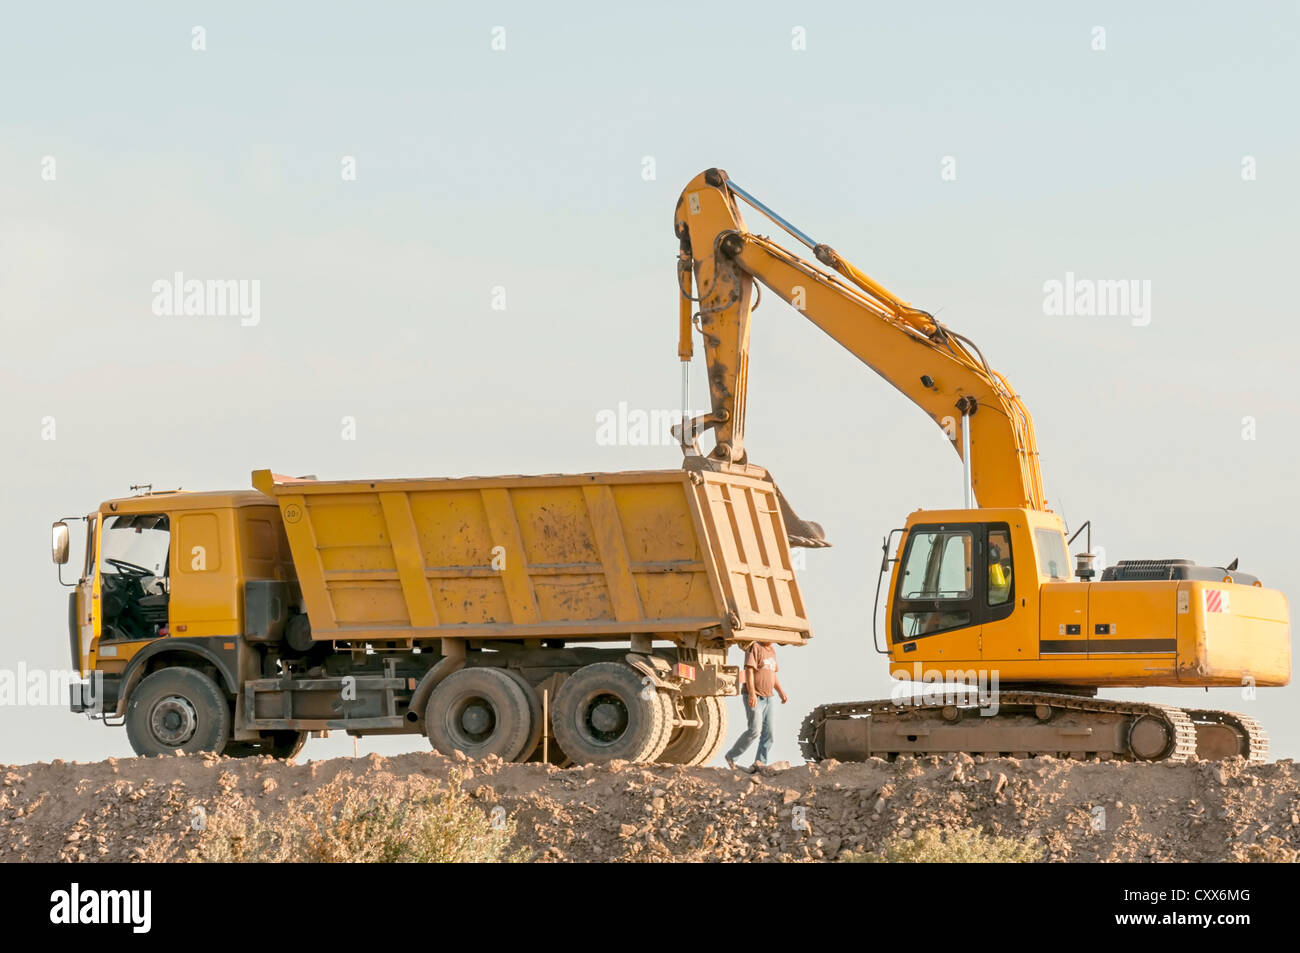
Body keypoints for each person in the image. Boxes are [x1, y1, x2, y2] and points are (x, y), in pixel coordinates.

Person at [725, 641, 787, 771]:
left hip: (769, 698)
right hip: (755, 696)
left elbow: (772, 674)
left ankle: (760, 763)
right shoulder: (755, 647)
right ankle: (732, 756)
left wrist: (781, 692)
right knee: (754, 730)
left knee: (769, 734)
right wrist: (752, 693)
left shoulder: (772, 651)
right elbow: (749, 670)